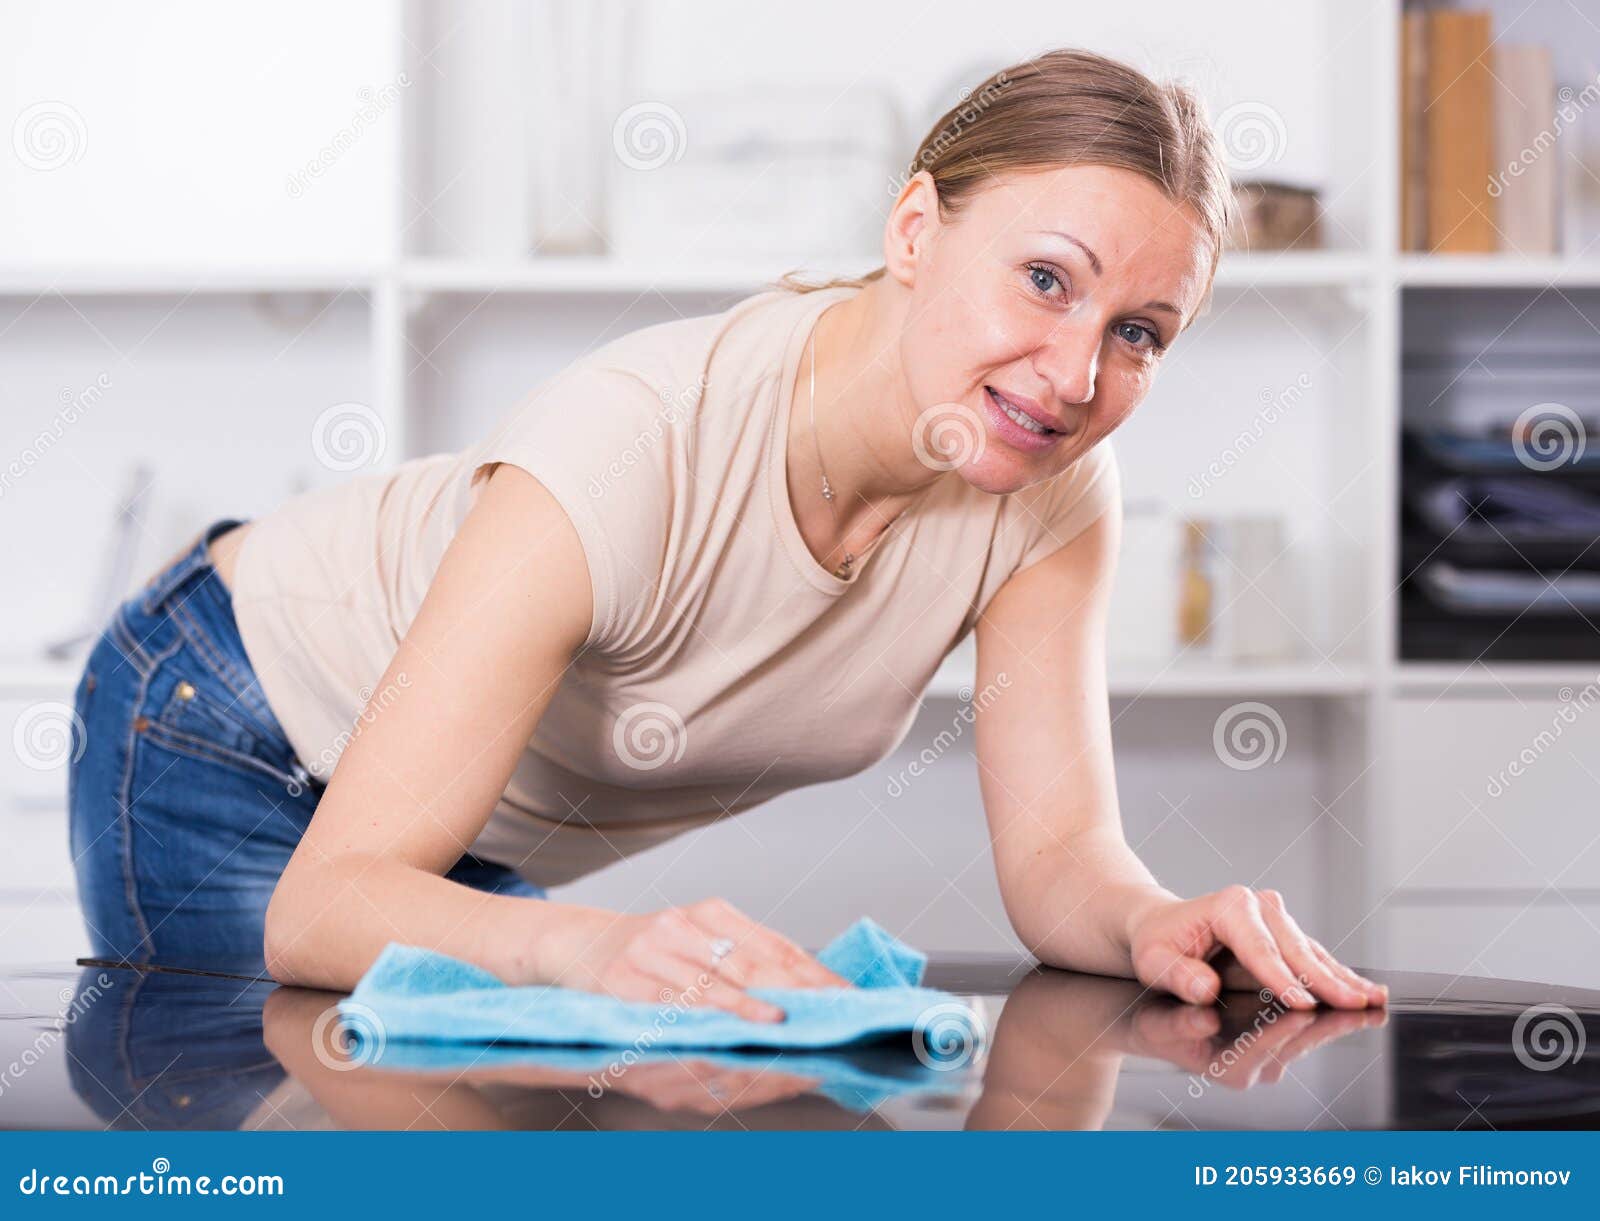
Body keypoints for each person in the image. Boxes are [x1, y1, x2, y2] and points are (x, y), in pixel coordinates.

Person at [68, 48, 1386, 1019]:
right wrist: (593, 947)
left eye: (1138, 334)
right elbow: (327, 903)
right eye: (1046, 278)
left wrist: (1158, 917)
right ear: (918, 229)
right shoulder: (636, 443)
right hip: (231, 715)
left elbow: (1057, 859)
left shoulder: (1048, 496)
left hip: (448, 820)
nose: (1074, 371)